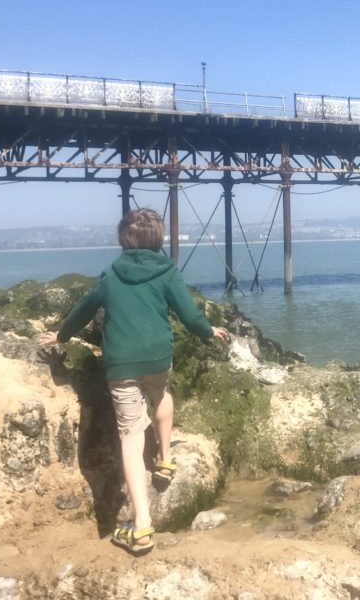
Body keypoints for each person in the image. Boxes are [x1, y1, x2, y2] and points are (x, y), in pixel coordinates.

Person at [40, 208, 229, 555]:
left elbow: (84, 309)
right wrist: (207, 331)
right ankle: (166, 458)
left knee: (130, 435)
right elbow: (189, 314)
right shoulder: (167, 271)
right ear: (159, 238)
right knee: (161, 393)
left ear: (123, 239)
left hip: (122, 363)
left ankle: (141, 525)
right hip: (158, 356)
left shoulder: (111, 274)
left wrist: (61, 336)